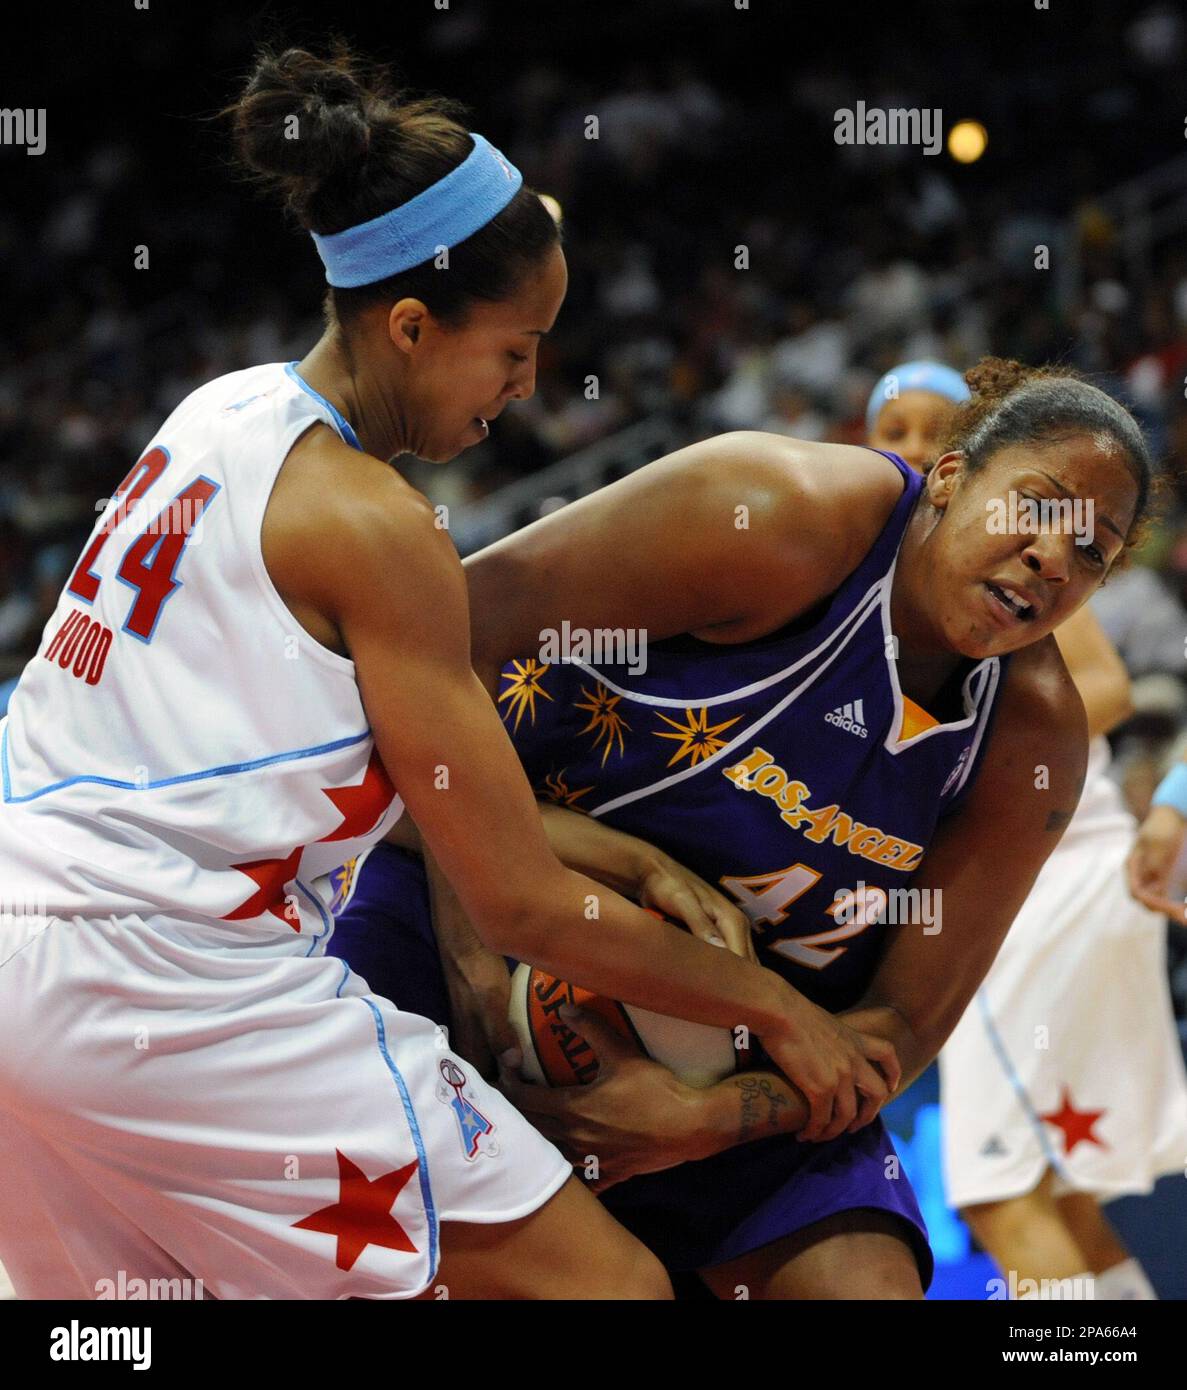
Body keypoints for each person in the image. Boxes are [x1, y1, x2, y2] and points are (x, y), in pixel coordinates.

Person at [0, 44, 876, 1302]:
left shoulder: (215, 414)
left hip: (24, 958)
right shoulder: (375, 524)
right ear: (411, 325)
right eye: (515, 350)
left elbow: (275, 759)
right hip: (170, 989)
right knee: (613, 1292)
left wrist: (619, 854)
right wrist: (773, 1009)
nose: (525, 389)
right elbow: (514, 902)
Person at [330, 355, 1153, 1298]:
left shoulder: (1032, 730)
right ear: (955, 475)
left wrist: (707, 1119)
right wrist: (508, 933)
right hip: (458, 899)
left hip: (748, 1045)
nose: (1055, 556)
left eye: (1093, 552)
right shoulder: (773, 509)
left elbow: (903, 1023)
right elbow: (422, 653)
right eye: (1037, 507)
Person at [870, 363, 1187, 1301]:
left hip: (1047, 884)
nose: (918, 447)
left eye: (938, 428)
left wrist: (933, 757)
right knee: (1056, 1190)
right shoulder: (877, 571)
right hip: (1049, 889)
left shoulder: (1015, 555)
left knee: (996, 1192)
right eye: (898, 428)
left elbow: (1109, 688)